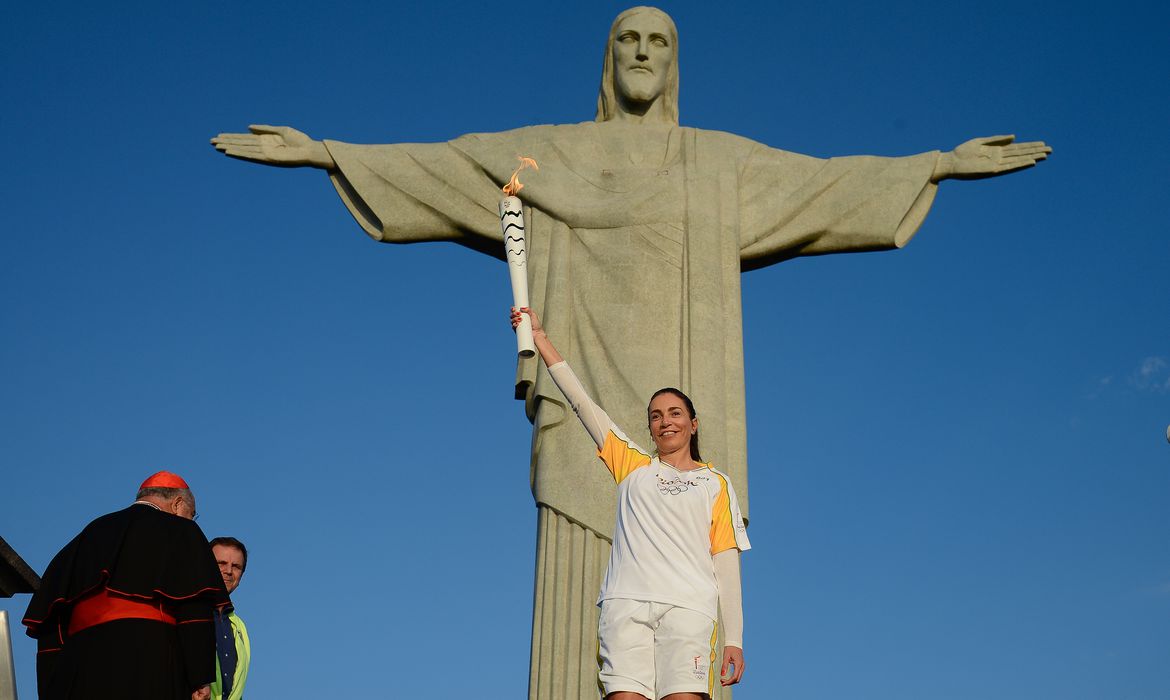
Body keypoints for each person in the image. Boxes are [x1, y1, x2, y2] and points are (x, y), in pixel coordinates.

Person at [212, 7, 1049, 696]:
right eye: (628, 40)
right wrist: (328, 152)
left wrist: (934, 165)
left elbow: (824, 185)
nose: (642, 54)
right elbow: (447, 167)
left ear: (674, 63)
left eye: (659, 42)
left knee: (687, 600)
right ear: (607, 59)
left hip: (680, 419)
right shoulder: (549, 154)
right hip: (584, 415)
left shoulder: (715, 164)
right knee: (590, 605)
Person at [513, 305, 749, 700]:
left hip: (688, 610)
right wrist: (539, 338)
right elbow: (581, 401)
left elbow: (726, 562)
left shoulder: (715, 483)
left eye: (675, 413)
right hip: (626, 605)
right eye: (656, 416)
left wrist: (735, 639)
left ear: (693, 423)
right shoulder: (632, 465)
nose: (665, 421)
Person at [22, 471, 228, 700]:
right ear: (178, 504)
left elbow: (51, 622)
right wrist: (200, 676)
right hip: (151, 663)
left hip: (79, 669)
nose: (190, 521)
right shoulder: (182, 530)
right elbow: (193, 609)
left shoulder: (87, 535)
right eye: (191, 515)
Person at [208, 537, 251, 700]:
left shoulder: (239, 626)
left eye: (236, 566)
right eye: (221, 563)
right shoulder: (187, 613)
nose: (228, 571)